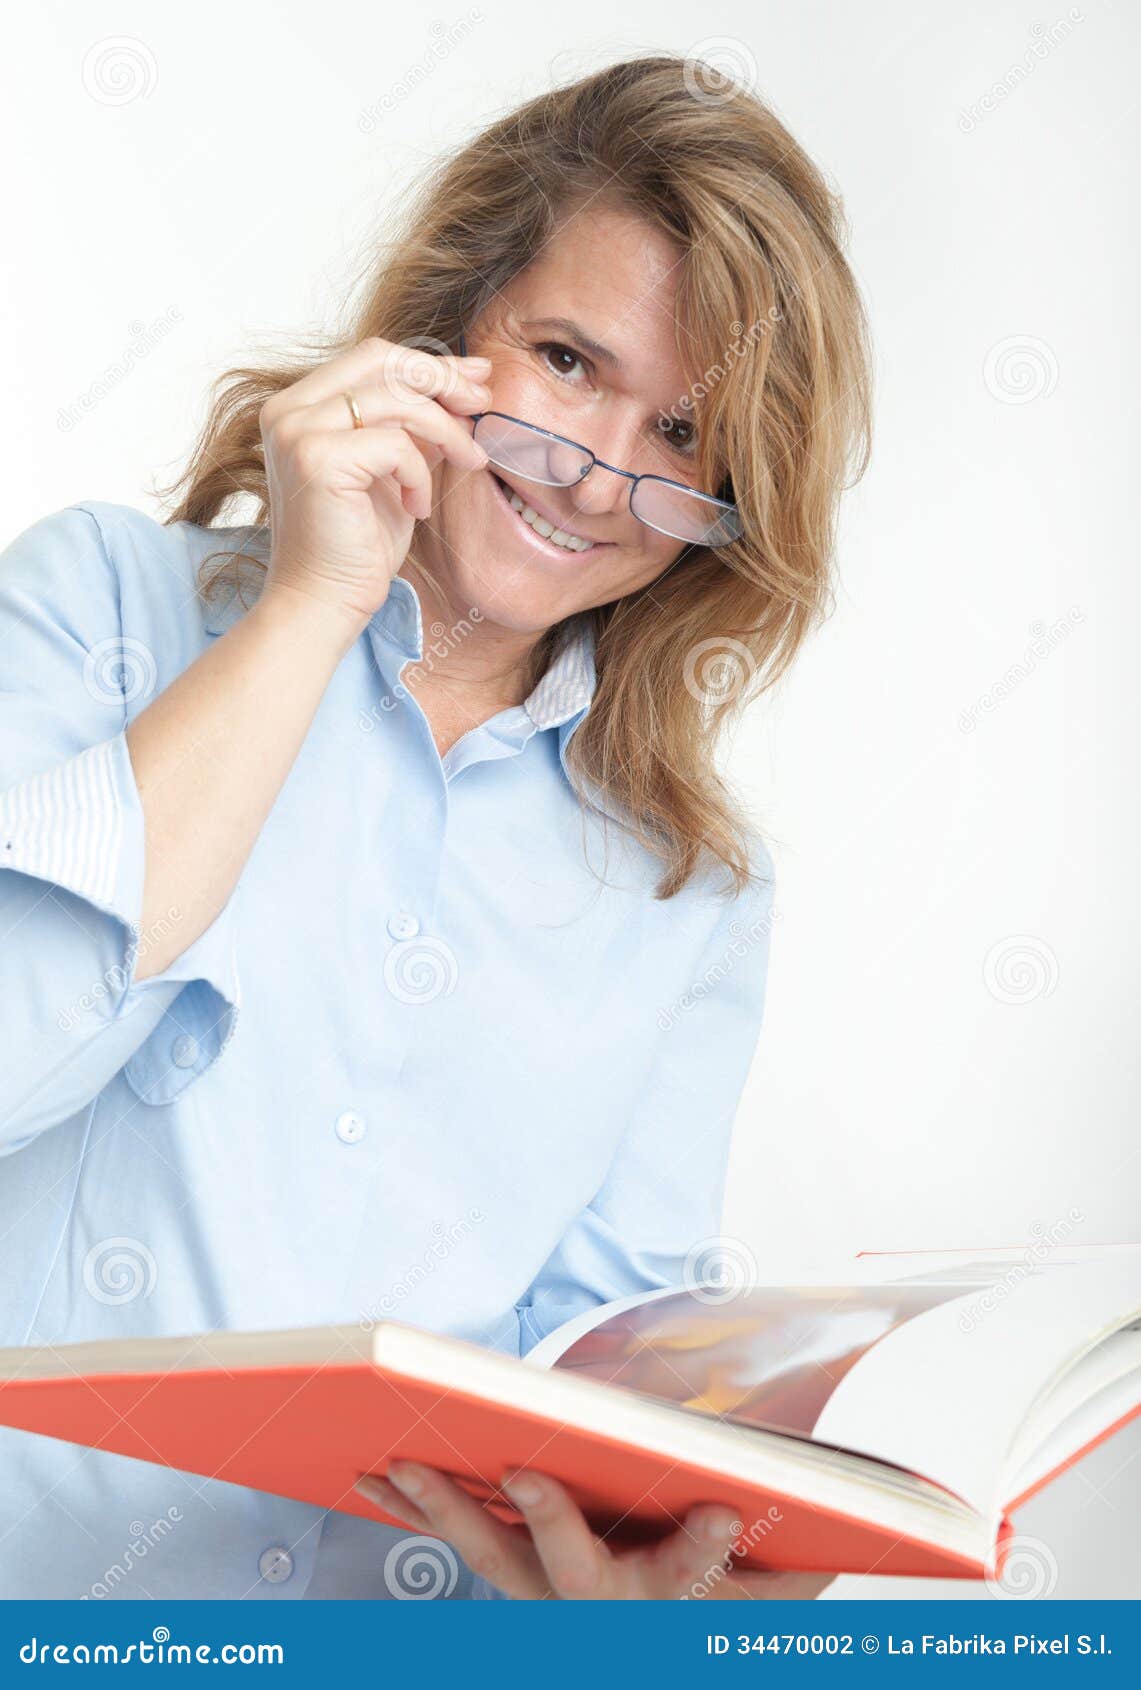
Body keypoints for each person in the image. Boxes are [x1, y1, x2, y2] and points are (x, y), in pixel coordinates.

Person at [0, 54, 870, 1599]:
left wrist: (647, 1560)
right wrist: (311, 602)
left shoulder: (691, 885)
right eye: (566, 360)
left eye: (681, 434)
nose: (596, 477)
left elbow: (600, 1364)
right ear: (444, 327)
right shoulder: (101, 606)